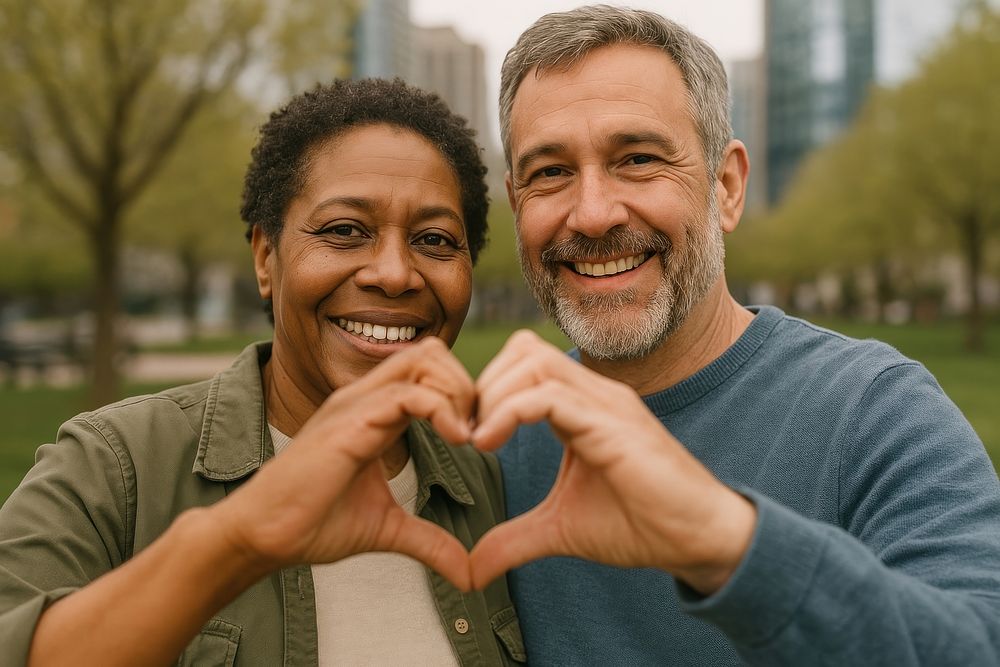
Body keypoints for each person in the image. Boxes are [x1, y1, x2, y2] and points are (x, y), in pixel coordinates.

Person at [465, 6, 1000, 665]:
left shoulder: (876, 411)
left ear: (726, 186)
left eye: (637, 158)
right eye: (550, 171)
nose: (594, 212)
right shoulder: (489, 449)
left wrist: (722, 539)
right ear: (516, 205)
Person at [0, 78, 524, 666]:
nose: (395, 274)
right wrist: (235, 541)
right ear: (265, 258)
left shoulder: (494, 486)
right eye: (344, 230)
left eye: (434, 239)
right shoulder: (112, 471)